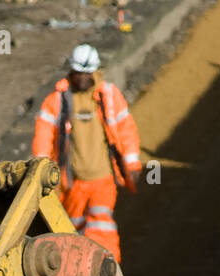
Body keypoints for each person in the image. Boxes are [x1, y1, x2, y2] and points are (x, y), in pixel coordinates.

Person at [32, 43, 142, 263]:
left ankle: (106, 271)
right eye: (78, 73)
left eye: (86, 73)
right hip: (72, 184)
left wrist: (132, 164)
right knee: (72, 231)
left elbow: (126, 129)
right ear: (71, 73)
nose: (82, 78)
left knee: (100, 226)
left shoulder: (109, 96)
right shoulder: (57, 100)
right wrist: (42, 172)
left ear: (95, 72)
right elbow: (44, 136)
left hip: (103, 180)